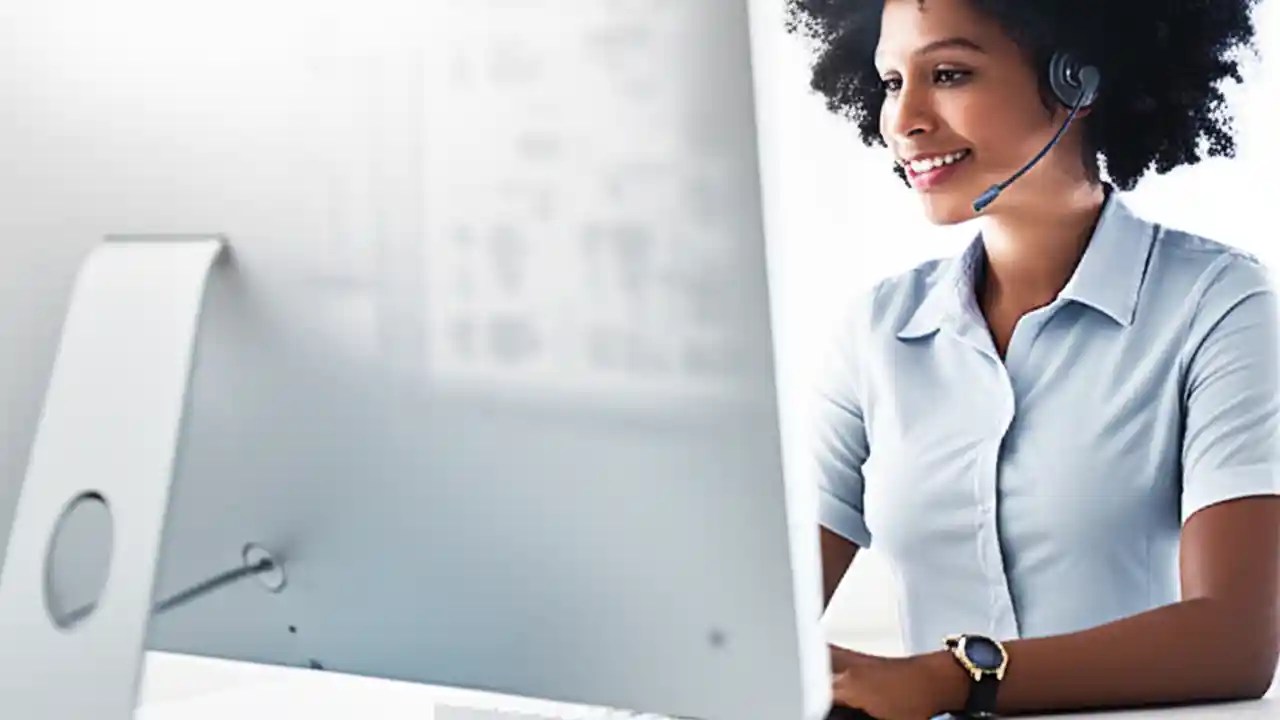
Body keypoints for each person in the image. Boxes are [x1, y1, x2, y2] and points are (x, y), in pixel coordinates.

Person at [785, 0, 1280, 718]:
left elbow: (1234, 639)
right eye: (892, 81)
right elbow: (760, 619)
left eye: (949, 73)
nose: (904, 119)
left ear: (1076, 80)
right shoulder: (877, 331)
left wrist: (955, 677)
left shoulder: (1216, 301)